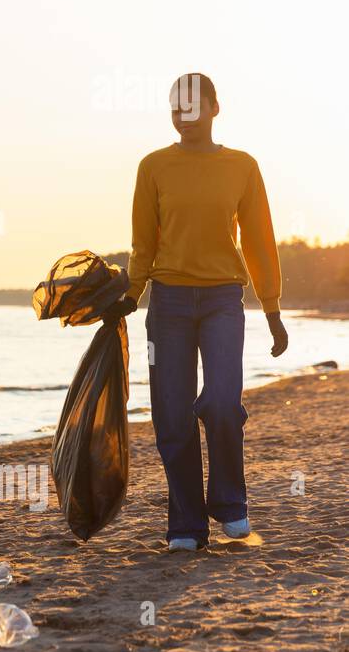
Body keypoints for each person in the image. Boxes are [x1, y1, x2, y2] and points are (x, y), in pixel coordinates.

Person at [104, 72, 288, 551]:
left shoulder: (242, 166)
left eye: (192, 105)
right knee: (172, 416)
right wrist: (133, 292)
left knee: (222, 402)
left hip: (224, 299)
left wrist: (272, 308)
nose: (183, 114)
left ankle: (229, 505)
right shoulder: (154, 166)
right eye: (174, 107)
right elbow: (143, 241)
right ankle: (186, 524)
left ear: (214, 108)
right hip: (167, 303)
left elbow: (260, 239)